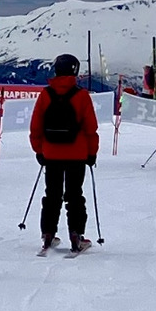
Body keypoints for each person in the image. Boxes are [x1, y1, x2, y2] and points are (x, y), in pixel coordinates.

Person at [30, 53, 100, 254]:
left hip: (51, 153)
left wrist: (39, 150)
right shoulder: (82, 95)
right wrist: (91, 153)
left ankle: (48, 234)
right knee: (74, 195)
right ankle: (76, 235)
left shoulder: (46, 94)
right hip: (77, 154)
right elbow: (91, 128)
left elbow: (36, 126)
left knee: (52, 195)